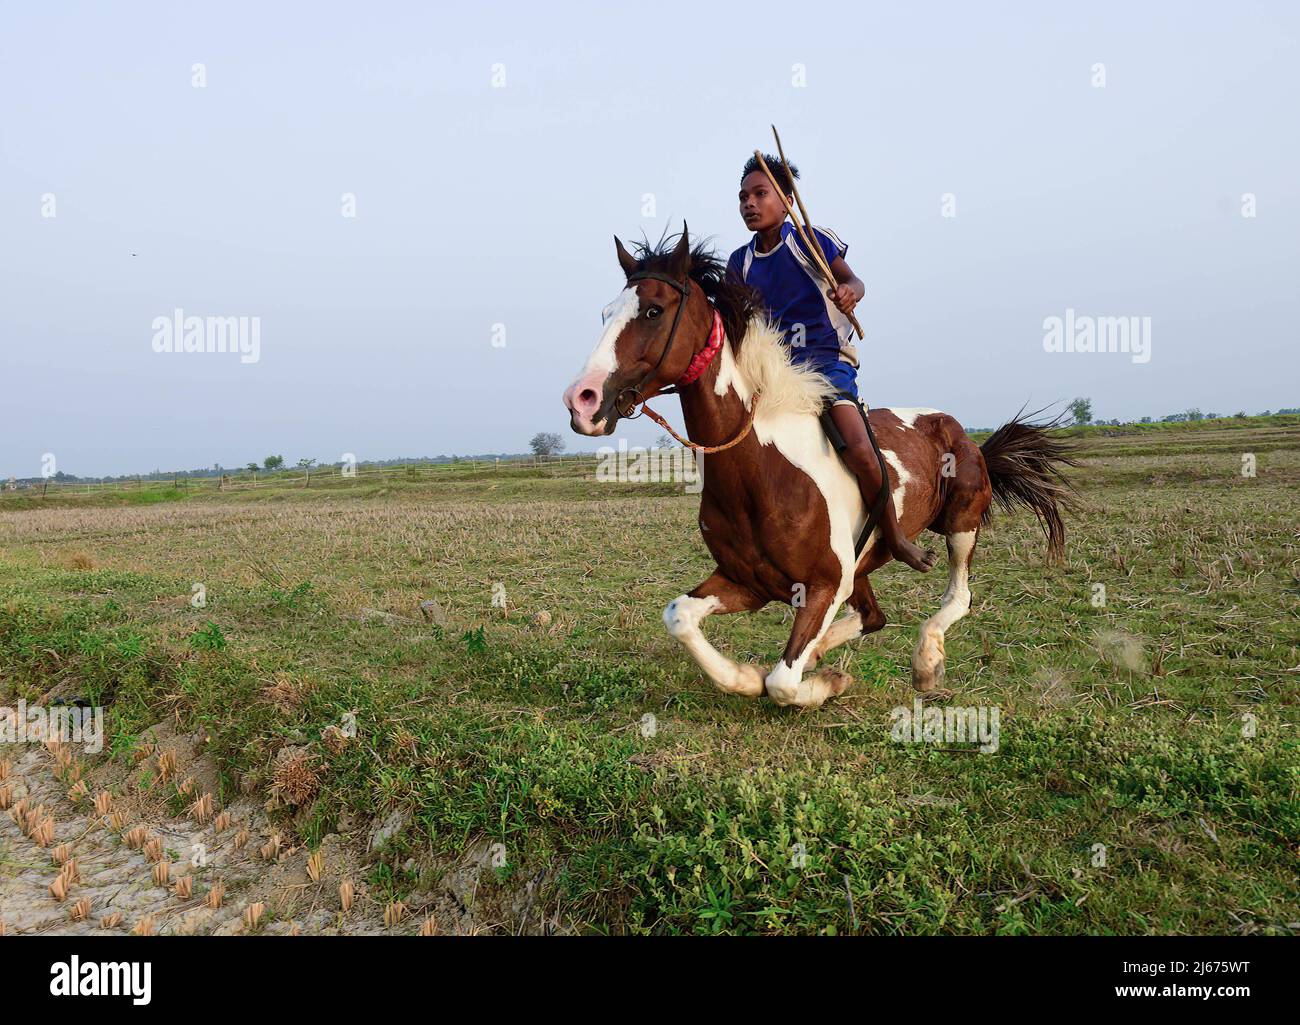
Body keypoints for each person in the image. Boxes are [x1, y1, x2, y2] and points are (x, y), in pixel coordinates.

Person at [726, 154, 935, 572]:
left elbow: (853, 280)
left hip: (825, 361)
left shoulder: (808, 239)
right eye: (743, 197)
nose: (750, 203)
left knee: (856, 444)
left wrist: (850, 293)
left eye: (760, 194)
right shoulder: (740, 262)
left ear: (786, 201)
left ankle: (894, 534)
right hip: (773, 370)